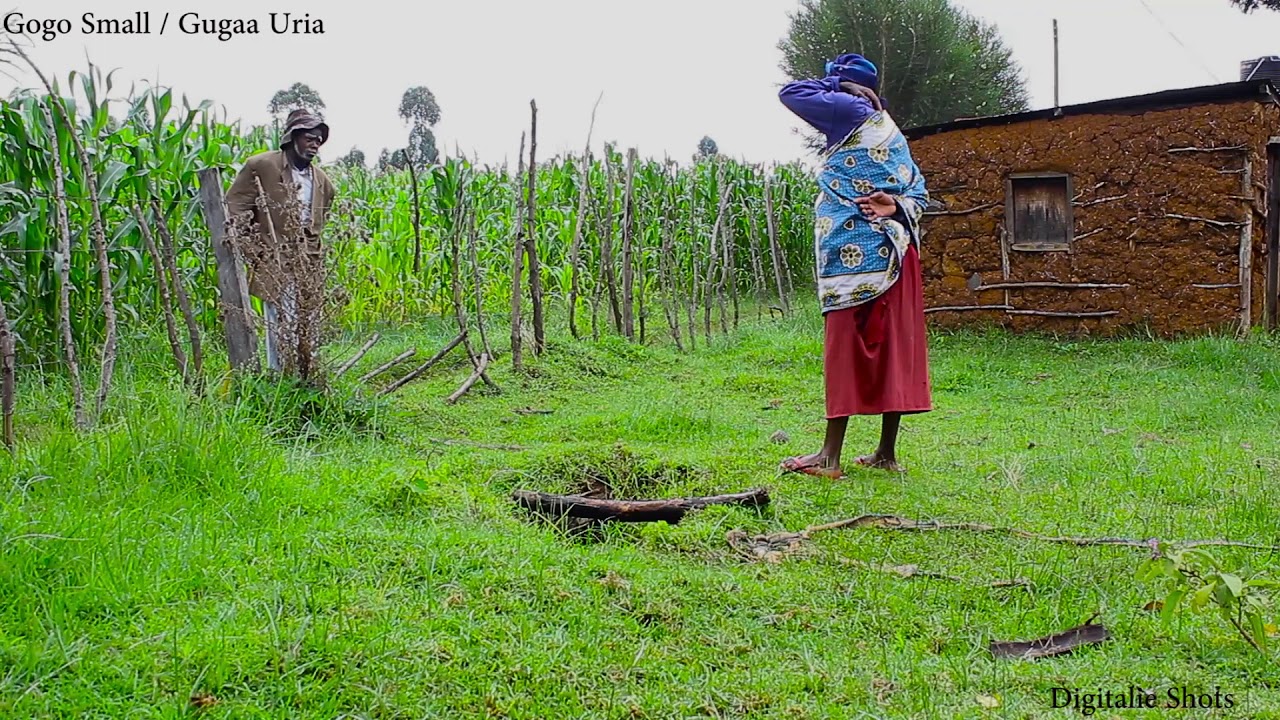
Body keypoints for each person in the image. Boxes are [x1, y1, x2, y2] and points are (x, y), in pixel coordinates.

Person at [776, 54, 932, 477]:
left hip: (854, 255)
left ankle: (829, 456)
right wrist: (895, 205)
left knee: (844, 349)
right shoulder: (888, 131)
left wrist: (837, 88)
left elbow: (790, 92)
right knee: (895, 350)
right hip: (897, 253)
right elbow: (919, 192)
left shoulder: (846, 108)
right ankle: (886, 452)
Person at [225, 108, 337, 372]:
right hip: (276, 262)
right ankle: (280, 379)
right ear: (292, 137)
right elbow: (236, 205)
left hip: (309, 264)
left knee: (310, 323)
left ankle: (306, 376)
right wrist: (253, 248)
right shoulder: (262, 166)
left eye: (318, 140)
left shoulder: (322, 181)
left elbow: (322, 217)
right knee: (279, 324)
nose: (314, 144)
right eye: (309, 138)